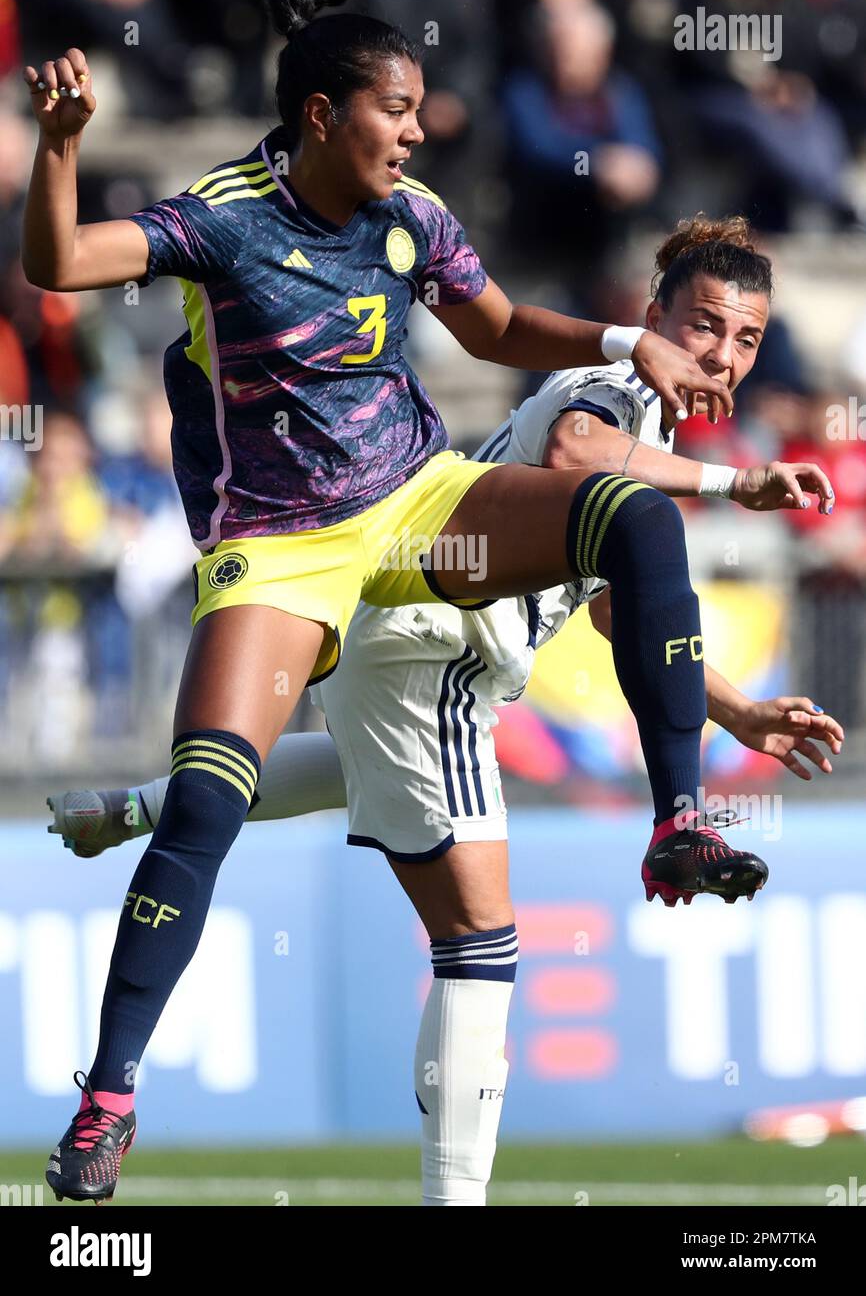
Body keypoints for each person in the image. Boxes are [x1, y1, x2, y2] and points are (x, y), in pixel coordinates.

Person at [49, 216, 841, 1205]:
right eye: (702, 325)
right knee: (479, 943)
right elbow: (572, 446)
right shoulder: (622, 388)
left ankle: (135, 808)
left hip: (409, 644)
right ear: (651, 318)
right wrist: (735, 482)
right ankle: (453, 1203)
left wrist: (738, 713)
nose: (719, 353)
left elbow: (607, 610)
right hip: (439, 648)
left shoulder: (658, 422)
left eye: (744, 338)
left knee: (365, 776)